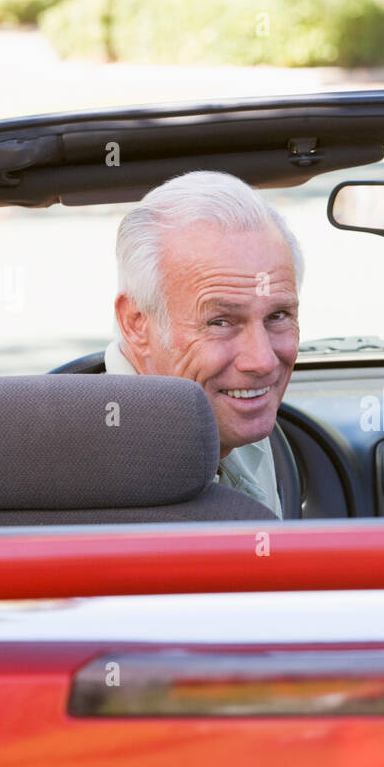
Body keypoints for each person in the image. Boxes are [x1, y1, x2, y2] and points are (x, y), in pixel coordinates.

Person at [109, 171, 304, 517]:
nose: (261, 361)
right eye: (220, 322)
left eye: (277, 316)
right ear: (136, 323)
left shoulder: (228, 421)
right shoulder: (95, 476)